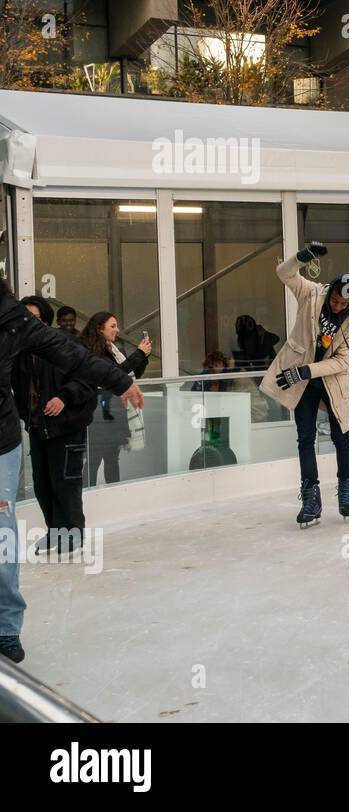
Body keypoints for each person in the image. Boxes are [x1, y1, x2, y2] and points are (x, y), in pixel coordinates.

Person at [0, 280, 144, 664]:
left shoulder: (15, 321)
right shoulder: (19, 341)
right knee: (47, 486)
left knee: (45, 497)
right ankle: (57, 531)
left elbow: (77, 364)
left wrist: (119, 381)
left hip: (34, 432)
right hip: (35, 425)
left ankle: (7, 626)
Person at [261, 243, 349, 526]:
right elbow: (283, 273)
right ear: (330, 290)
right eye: (335, 300)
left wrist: (304, 372)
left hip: (331, 379)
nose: (337, 306)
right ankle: (311, 497)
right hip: (304, 378)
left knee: (340, 435)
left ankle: (346, 489)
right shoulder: (311, 293)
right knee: (305, 437)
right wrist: (303, 256)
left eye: (344, 304)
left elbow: (343, 362)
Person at [13, 296, 97, 556]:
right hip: (38, 427)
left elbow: (88, 380)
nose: (30, 322)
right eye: (25, 317)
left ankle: (72, 533)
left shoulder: (66, 343)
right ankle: (55, 531)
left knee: (65, 482)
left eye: (35, 318)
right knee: (42, 483)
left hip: (67, 426)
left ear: (46, 320)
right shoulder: (19, 350)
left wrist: (64, 397)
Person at [80, 313, 151, 487]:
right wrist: (139, 354)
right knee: (94, 458)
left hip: (114, 413)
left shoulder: (114, 349)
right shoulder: (92, 353)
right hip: (97, 415)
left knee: (112, 458)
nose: (117, 330)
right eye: (112, 326)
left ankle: (114, 491)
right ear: (99, 329)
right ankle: (85, 493)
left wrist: (144, 356)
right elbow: (114, 374)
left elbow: (131, 374)